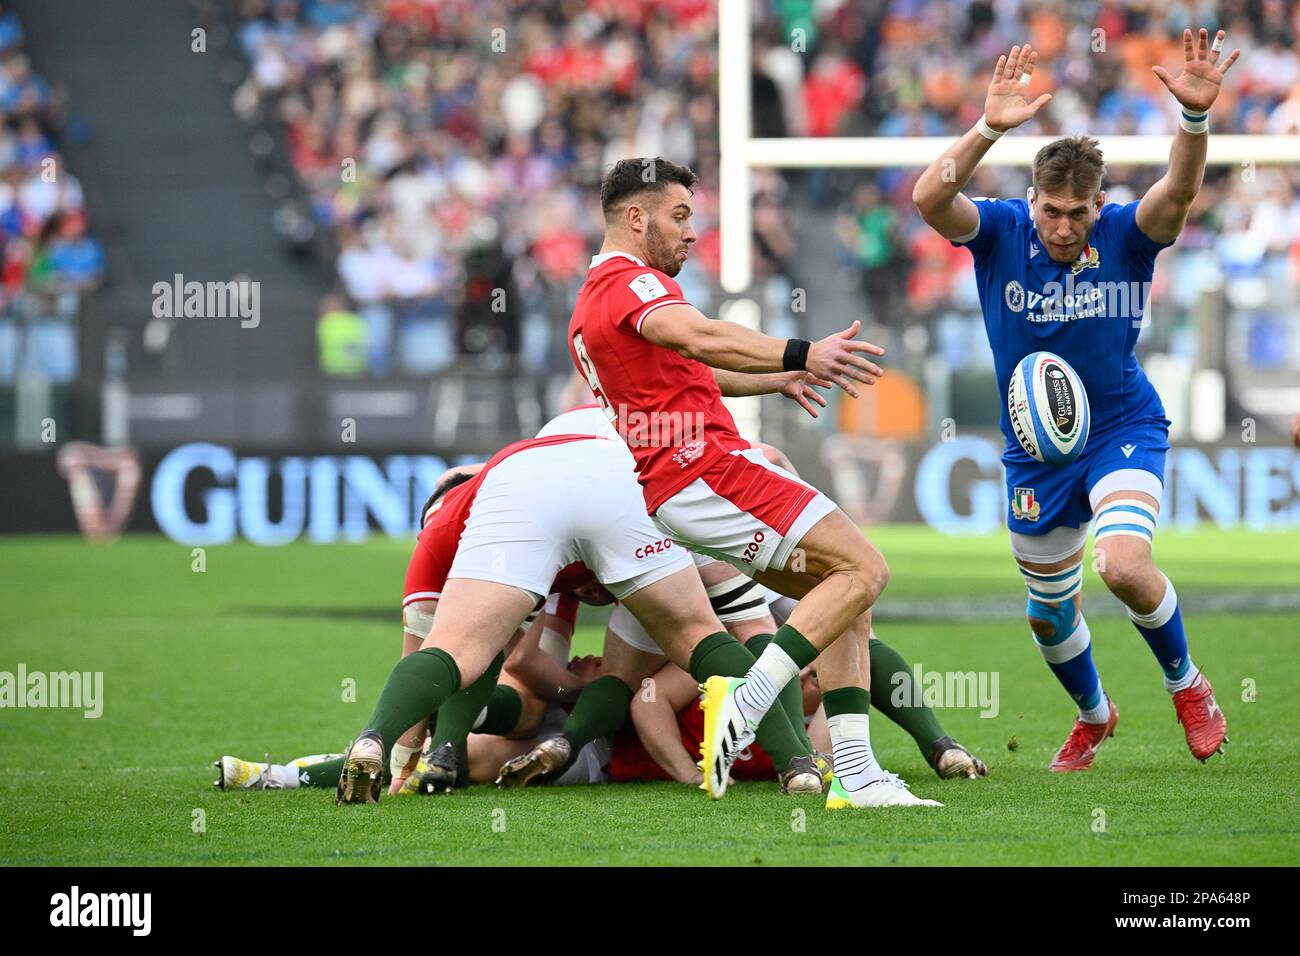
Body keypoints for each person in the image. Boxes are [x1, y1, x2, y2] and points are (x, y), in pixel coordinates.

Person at [911, 33, 1238, 770]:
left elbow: (1178, 194)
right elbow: (929, 197)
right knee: (1049, 613)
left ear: (1100, 204)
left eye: (1077, 212)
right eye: (1052, 211)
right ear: (1033, 201)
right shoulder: (999, 232)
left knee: (1122, 566)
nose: (1063, 227)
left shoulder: (1126, 237)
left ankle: (1188, 685)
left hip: (1123, 424)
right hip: (1034, 449)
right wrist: (989, 127)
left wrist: (1192, 123)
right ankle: (1095, 714)